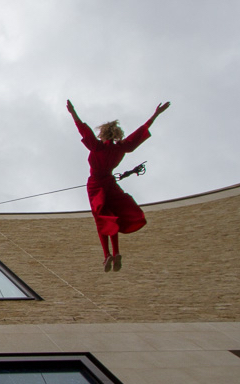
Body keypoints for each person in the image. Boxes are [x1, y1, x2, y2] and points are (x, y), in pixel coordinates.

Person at [66, 99, 170, 271]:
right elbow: (140, 132)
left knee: (102, 218)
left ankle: (107, 255)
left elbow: (84, 130)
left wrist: (73, 113)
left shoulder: (97, 148)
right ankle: (116, 253)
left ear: (103, 134)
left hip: (95, 184)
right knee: (112, 216)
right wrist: (155, 115)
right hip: (110, 184)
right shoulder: (121, 148)